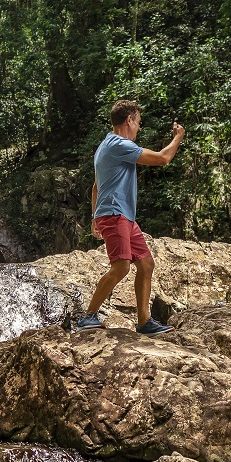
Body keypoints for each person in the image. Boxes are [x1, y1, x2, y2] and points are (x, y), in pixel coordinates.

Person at [77, 98, 184, 332]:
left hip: (121, 215)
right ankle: (88, 317)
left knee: (146, 264)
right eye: (138, 123)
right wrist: (178, 138)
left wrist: (95, 217)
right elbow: (163, 158)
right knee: (122, 267)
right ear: (129, 120)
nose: (138, 128)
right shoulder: (118, 144)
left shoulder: (105, 146)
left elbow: (96, 187)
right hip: (115, 214)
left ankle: (144, 321)